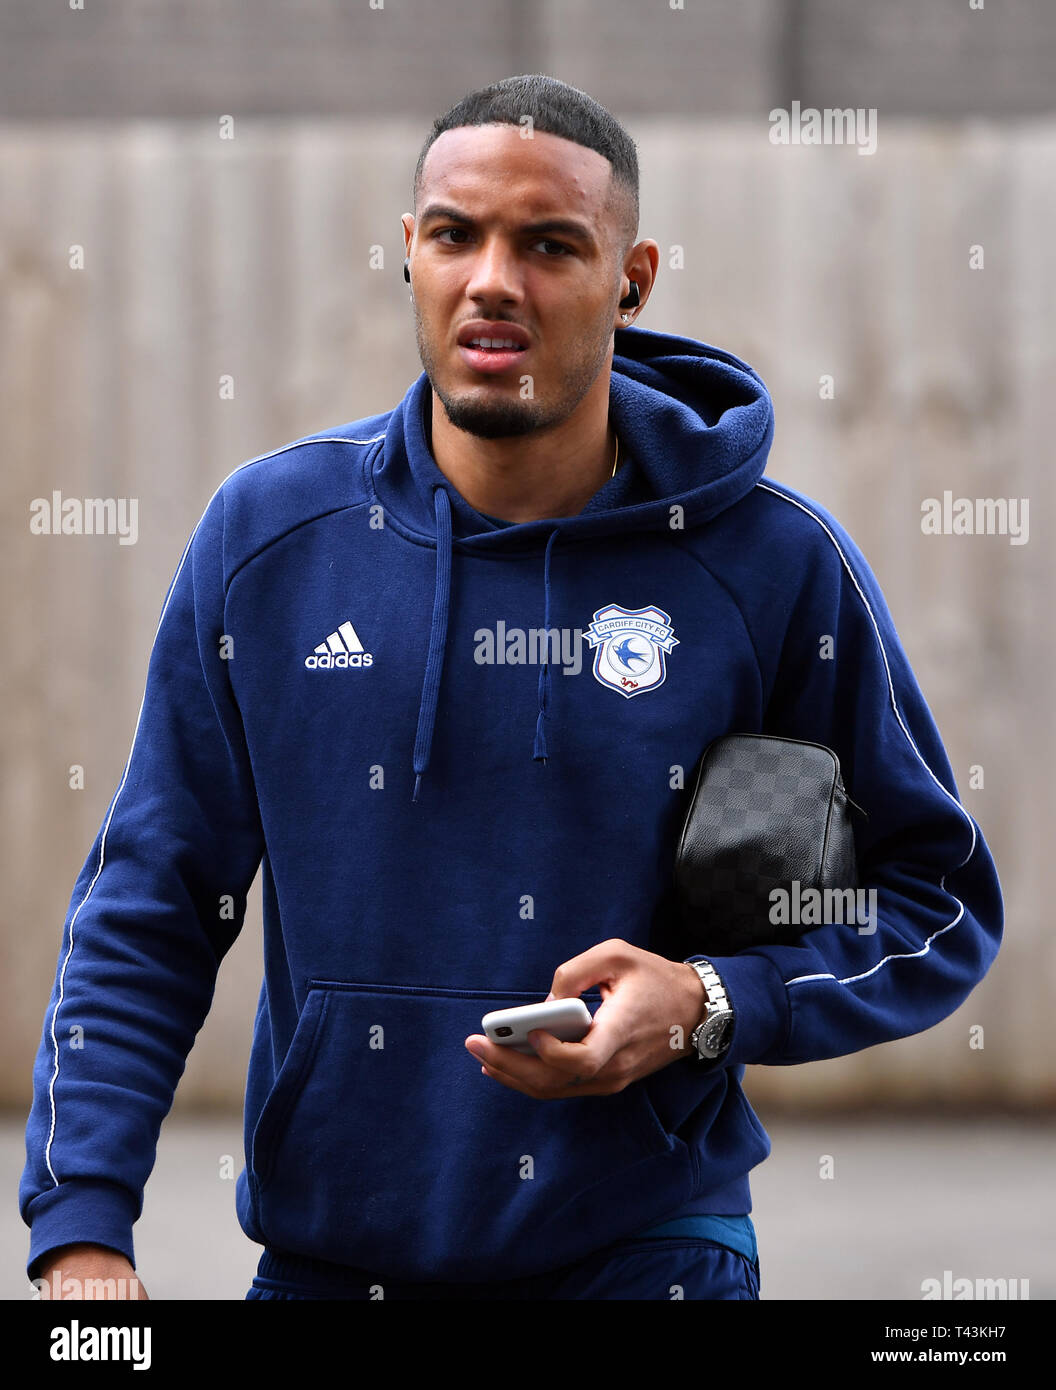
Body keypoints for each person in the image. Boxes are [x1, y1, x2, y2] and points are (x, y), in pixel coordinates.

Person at [20, 73, 1003, 1302]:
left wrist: (706, 999)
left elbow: (933, 898)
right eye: (455, 235)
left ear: (632, 280)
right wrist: (82, 1228)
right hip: (331, 1264)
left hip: (651, 1255)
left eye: (549, 245)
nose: (493, 280)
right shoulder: (270, 543)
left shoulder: (768, 565)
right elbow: (152, 899)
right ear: (409, 253)